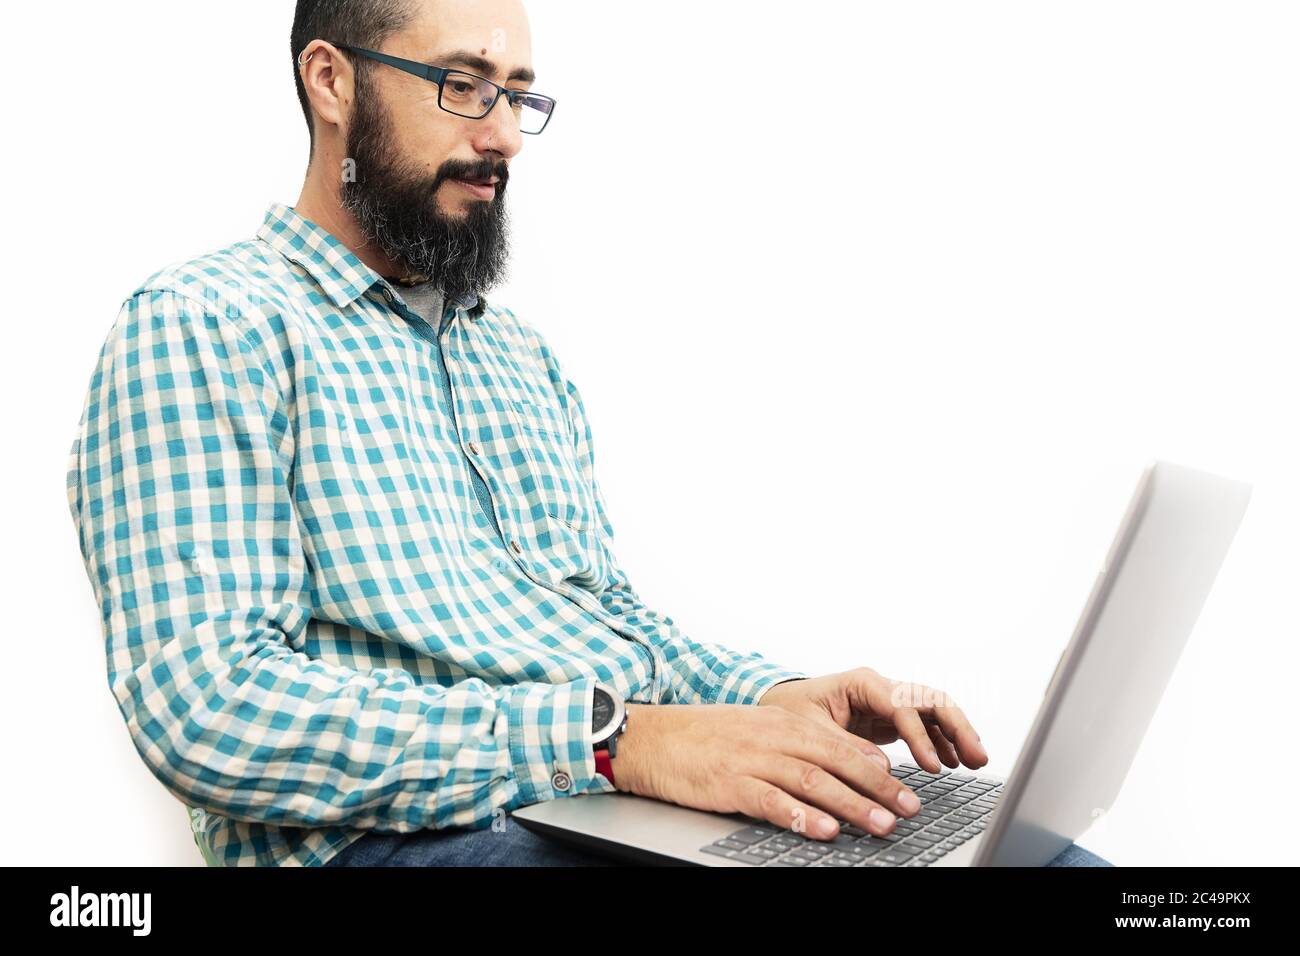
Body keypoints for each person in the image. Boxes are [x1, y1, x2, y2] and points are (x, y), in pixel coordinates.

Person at [66, 0, 1109, 868]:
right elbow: (210, 707)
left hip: (578, 797)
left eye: (518, 95)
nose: (504, 134)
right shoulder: (203, 324)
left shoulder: (513, 354)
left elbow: (602, 622)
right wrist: (610, 741)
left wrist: (776, 698)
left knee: (1017, 854)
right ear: (331, 82)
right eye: (464, 83)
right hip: (387, 845)